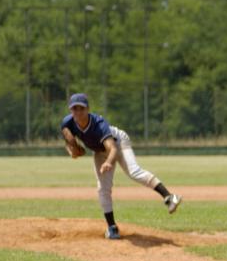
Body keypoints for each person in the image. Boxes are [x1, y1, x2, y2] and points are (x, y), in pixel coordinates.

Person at [60, 93, 182, 239]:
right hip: (100, 151)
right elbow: (68, 136)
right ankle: (112, 228)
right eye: (74, 108)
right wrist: (71, 148)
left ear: (88, 109)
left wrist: (108, 162)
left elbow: (112, 149)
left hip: (118, 143)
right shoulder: (68, 122)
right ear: (70, 110)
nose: (78, 112)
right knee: (102, 188)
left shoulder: (99, 124)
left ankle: (170, 197)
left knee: (134, 172)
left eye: (81, 108)